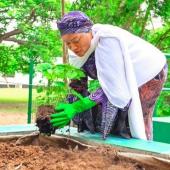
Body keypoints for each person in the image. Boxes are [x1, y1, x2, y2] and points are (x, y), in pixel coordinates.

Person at [50, 11, 167, 140]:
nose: (73, 47)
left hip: (148, 71)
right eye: (68, 44)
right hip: (121, 79)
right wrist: (66, 108)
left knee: (135, 118)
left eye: (76, 41)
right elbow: (77, 85)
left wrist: (76, 107)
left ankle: (144, 152)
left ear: (89, 31)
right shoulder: (76, 54)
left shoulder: (108, 41)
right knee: (112, 118)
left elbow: (114, 89)